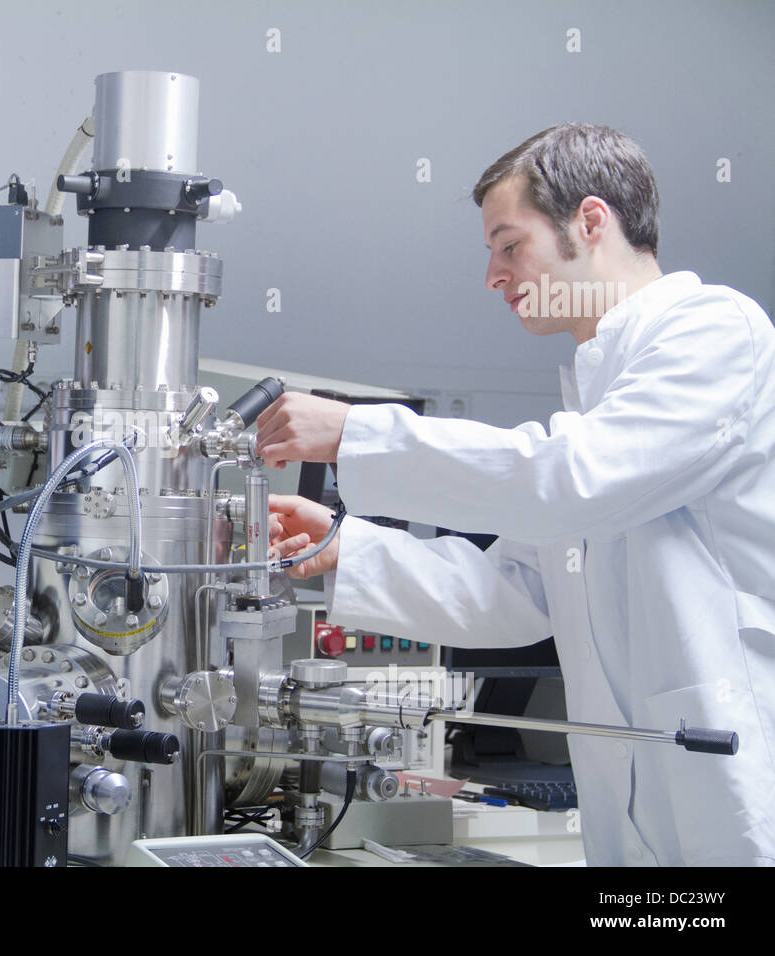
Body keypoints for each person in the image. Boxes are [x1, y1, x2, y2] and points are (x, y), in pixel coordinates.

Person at [257, 123, 775, 866]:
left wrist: (355, 435)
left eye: (509, 244)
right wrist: (344, 548)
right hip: (635, 809)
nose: (494, 276)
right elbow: (516, 587)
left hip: (726, 785)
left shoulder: (716, 333)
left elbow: (571, 480)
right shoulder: (603, 390)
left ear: (590, 221)